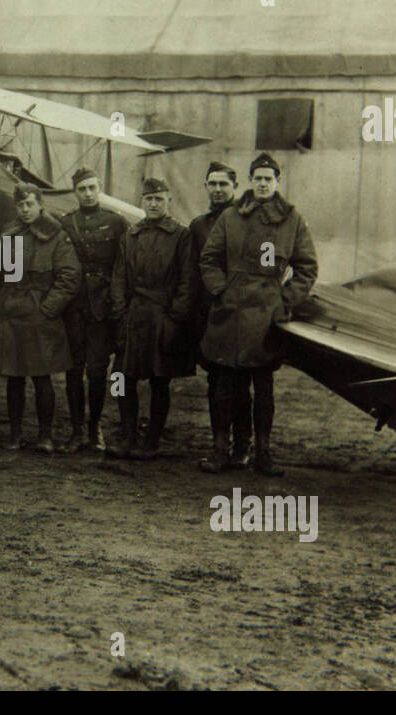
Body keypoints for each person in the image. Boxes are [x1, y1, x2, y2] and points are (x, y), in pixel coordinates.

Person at [198, 152, 318, 476]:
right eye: (258, 178)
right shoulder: (232, 216)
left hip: (266, 317)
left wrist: (284, 300)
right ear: (250, 181)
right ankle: (221, 451)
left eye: (269, 178)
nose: (263, 183)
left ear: (277, 182)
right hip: (230, 313)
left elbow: (307, 268)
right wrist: (220, 290)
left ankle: (263, 454)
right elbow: (209, 259)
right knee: (224, 387)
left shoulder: (292, 219)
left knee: (263, 388)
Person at [0, 184, 79, 453]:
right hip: (11, 312)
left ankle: (45, 436)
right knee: (14, 378)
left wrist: (47, 308)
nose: (25, 210)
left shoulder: (56, 236)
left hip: (40, 316)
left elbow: (69, 277)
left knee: (42, 378)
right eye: (20, 205)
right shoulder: (8, 235)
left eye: (30, 204)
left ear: (41, 204)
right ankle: (14, 434)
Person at [108, 177, 193, 460]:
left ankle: (152, 440)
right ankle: (128, 435)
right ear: (141, 202)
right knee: (122, 377)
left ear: (169, 201)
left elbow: (187, 281)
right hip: (134, 315)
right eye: (148, 199)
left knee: (160, 381)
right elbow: (118, 277)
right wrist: (120, 313)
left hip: (162, 317)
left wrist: (174, 319)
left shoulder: (180, 236)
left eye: (159, 199)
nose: (153, 204)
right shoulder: (131, 235)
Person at [184, 162, 251, 469]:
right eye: (212, 184)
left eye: (224, 184)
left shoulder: (250, 221)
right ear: (206, 187)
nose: (218, 189)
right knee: (217, 384)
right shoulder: (198, 226)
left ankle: (242, 447)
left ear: (234, 187)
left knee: (240, 384)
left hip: (244, 315)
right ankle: (219, 447)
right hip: (211, 317)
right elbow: (192, 275)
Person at [58, 167, 127, 453]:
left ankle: (94, 427)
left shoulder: (116, 223)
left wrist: (116, 299)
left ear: (99, 189)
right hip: (73, 305)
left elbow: (124, 264)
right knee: (73, 369)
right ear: (75, 192)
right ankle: (75, 431)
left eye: (92, 188)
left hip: (102, 306)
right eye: (81, 189)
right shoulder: (65, 223)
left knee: (97, 370)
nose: (87, 194)